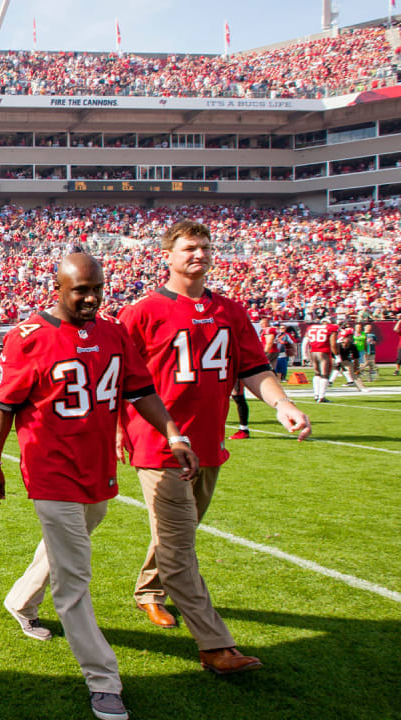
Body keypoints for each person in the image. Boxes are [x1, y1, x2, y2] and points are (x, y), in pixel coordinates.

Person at [0, 253, 199, 720]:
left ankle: (20, 600)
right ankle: (103, 679)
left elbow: (141, 392)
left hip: (96, 467)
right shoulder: (30, 337)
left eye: (95, 288)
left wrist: (174, 433)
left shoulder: (114, 332)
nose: (89, 298)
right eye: (80, 290)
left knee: (77, 536)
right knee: (75, 578)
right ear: (58, 289)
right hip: (50, 469)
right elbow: (3, 405)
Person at [118, 220, 310, 676]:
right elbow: (120, 377)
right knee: (181, 547)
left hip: (208, 441)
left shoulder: (230, 309)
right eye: (189, 248)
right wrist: (116, 431)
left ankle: (149, 590)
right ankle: (214, 644)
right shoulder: (142, 311)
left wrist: (282, 404)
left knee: (177, 534)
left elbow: (254, 367)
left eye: (204, 247)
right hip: (160, 443)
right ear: (167, 255)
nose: (198, 255)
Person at [305, 314, 339, 402]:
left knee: (317, 373)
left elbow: (305, 341)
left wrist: (305, 355)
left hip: (313, 351)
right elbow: (333, 344)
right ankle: (321, 397)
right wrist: (338, 356)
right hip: (323, 352)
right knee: (325, 374)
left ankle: (316, 394)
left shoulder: (312, 327)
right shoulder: (331, 328)